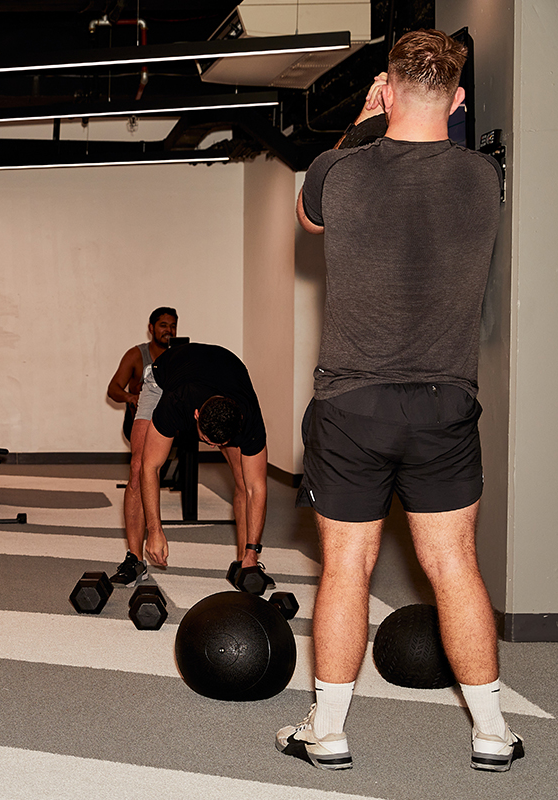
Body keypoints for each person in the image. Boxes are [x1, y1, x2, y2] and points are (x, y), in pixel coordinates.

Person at [279, 29, 518, 772]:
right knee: (455, 566)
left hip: (353, 406)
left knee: (346, 568)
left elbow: (308, 216)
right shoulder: (485, 179)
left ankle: (330, 731)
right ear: (460, 98)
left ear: (384, 89)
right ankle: (490, 733)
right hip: (445, 402)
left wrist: (363, 118)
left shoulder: (338, 172)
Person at [135, 343, 273, 587]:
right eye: (208, 440)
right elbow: (151, 468)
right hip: (166, 372)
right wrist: (155, 530)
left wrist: (254, 550)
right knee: (139, 464)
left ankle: (245, 562)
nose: (211, 447)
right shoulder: (177, 401)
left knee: (244, 479)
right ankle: (133, 558)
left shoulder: (248, 418)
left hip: (228, 368)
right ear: (196, 415)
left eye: (218, 443)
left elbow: (256, 488)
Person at [106, 307, 178, 585]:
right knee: (138, 467)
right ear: (151, 327)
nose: (167, 330)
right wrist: (129, 397)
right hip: (141, 415)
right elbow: (113, 388)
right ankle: (134, 557)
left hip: (172, 419)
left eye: (172, 325)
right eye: (162, 325)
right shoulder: (137, 355)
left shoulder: (179, 354)